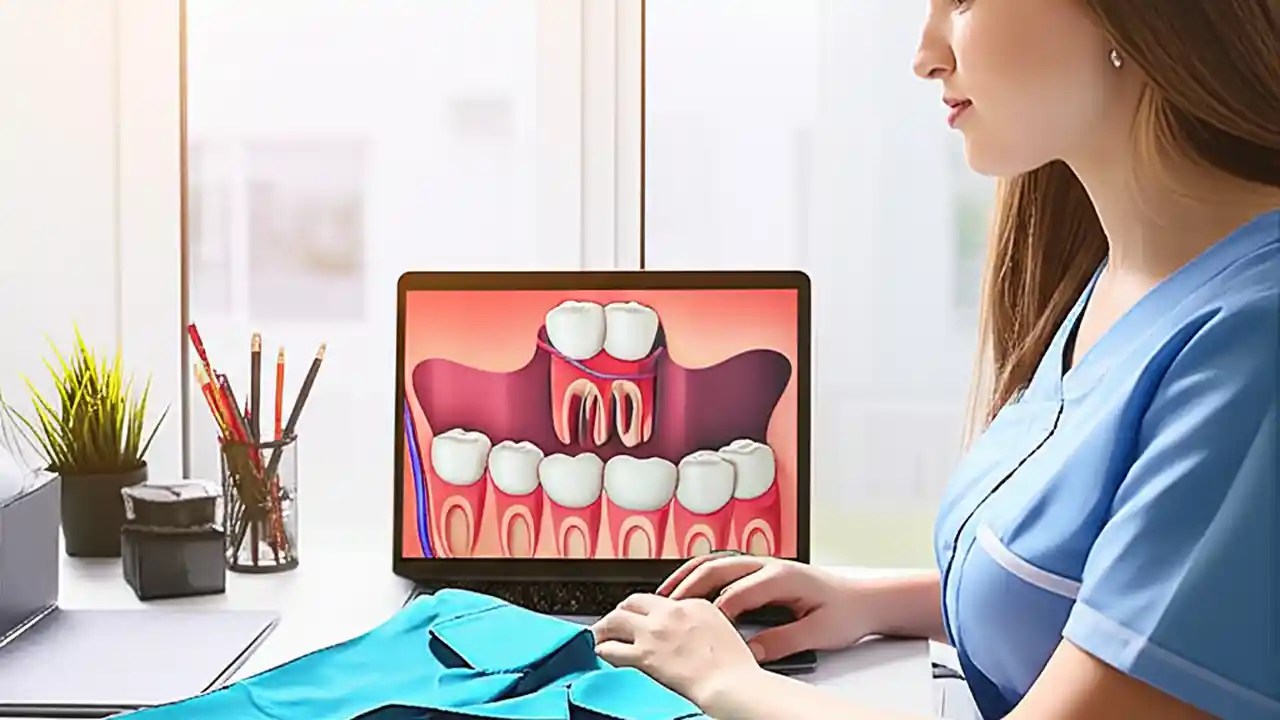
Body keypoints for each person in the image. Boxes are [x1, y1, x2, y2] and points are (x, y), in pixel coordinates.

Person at [589, 0, 1279, 717]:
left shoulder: (1254, 350)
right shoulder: (1124, 278)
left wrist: (725, 678)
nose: (926, 56)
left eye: (963, 0)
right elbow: (1100, 594)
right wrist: (875, 598)